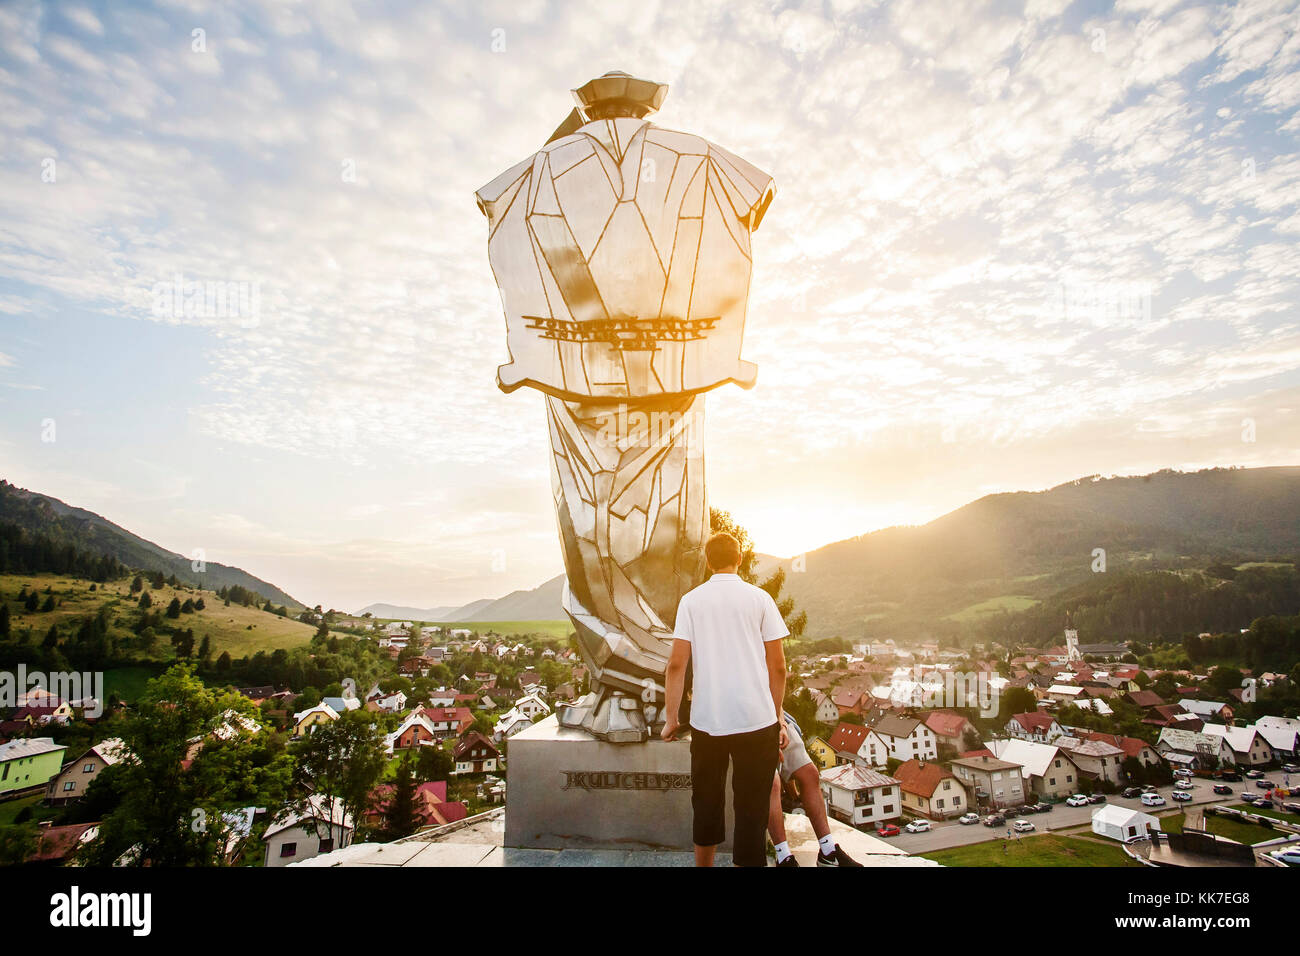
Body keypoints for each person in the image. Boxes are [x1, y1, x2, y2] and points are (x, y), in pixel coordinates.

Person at [662, 531, 789, 867]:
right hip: (758, 722)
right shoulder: (761, 599)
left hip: (707, 723)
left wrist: (671, 718)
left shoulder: (691, 601)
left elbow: (677, 664)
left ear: (707, 561)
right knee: (752, 808)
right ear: (740, 559)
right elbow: (778, 667)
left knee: (706, 802)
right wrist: (777, 718)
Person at [768, 710, 862, 867]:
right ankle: (783, 857)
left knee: (810, 774)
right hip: (747, 724)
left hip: (774, 718)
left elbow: (776, 690)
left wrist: (782, 724)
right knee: (772, 783)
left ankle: (828, 852)